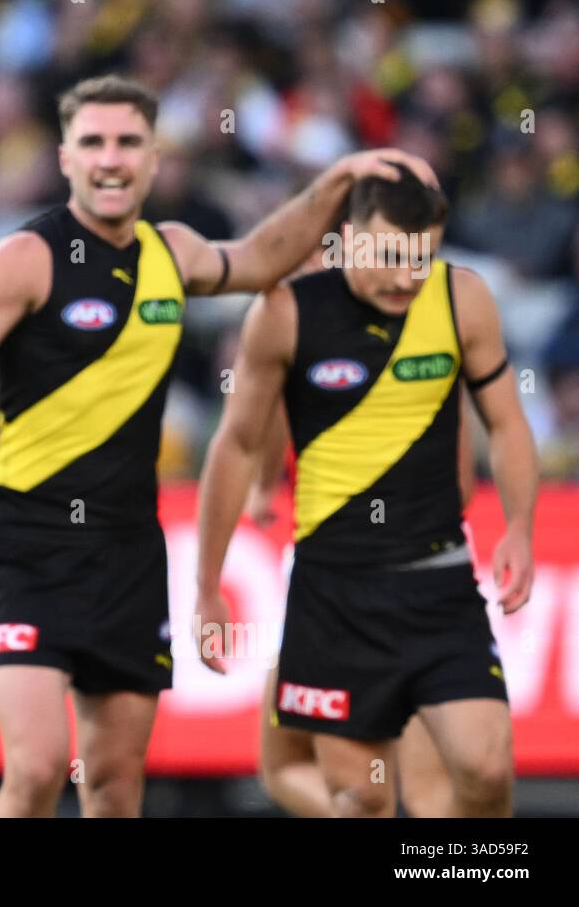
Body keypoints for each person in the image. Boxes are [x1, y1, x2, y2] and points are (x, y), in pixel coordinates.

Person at [0, 72, 438, 817]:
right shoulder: (24, 259)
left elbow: (263, 258)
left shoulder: (172, 253)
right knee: (41, 763)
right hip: (29, 548)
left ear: (151, 158)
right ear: (67, 158)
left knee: (114, 783)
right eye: (94, 143)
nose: (111, 159)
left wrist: (335, 182)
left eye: (128, 143)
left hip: (129, 556)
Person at [195, 165, 537, 817]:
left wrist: (519, 526)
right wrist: (209, 587)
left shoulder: (461, 299)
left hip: (438, 580)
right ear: (347, 237)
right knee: (362, 800)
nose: (406, 277)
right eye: (386, 256)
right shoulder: (287, 313)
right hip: (335, 587)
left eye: (421, 258)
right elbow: (239, 439)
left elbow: (507, 424)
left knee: (487, 771)